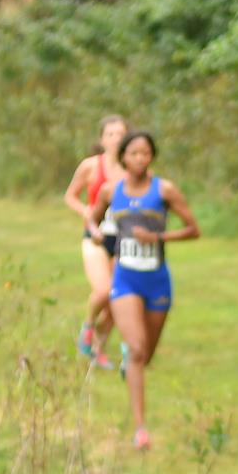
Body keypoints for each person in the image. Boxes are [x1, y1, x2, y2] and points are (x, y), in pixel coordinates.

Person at [88, 130, 200, 451]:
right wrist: (97, 234)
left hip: (157, 281)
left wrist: (159, 239)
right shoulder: (111, 191)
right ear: (123, 156)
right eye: (134, 153)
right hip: (125, 279)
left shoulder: (164, 190)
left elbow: (194, 230)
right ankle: (140, 429)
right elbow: (92, 219)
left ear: (152, 157)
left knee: (145, 355)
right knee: (136, 350)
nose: (140, 159)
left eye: (146, 153)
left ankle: (130, 364)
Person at [65, 113, 126, 368]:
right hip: (96, 236)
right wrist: (86, 212)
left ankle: (97, 350)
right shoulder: (91, 166)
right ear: (102, 139)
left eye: (120, 134)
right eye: (110, 134)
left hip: (124, 239)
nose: (115, 139)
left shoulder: (133, 166)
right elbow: (70, 196)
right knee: (103, 290)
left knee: (118, 301)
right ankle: (88, 327)